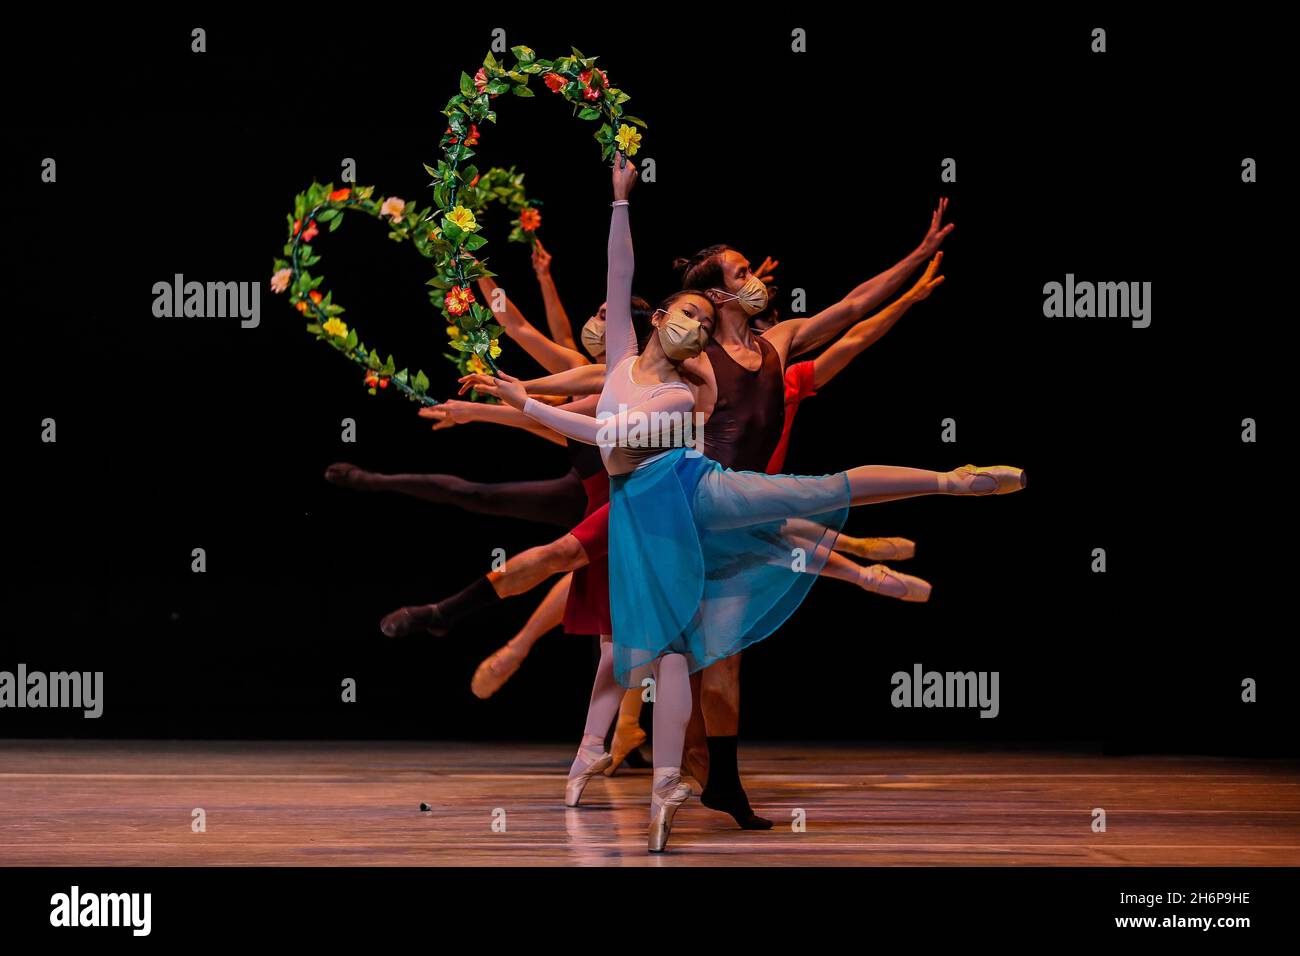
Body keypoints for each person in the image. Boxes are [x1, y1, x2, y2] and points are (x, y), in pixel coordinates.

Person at [467, 155, 1024, 851]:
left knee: (704, 623)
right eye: (735, 278)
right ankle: (655, 762)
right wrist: (517, 395)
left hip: (709, 499)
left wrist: (915, 258)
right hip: (673, 502)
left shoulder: (744, 355)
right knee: (668, 637)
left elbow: (851, 310)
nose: (755, 283)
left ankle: (920, 504)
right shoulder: (674, 362)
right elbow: (591, 366)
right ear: (697, 306)